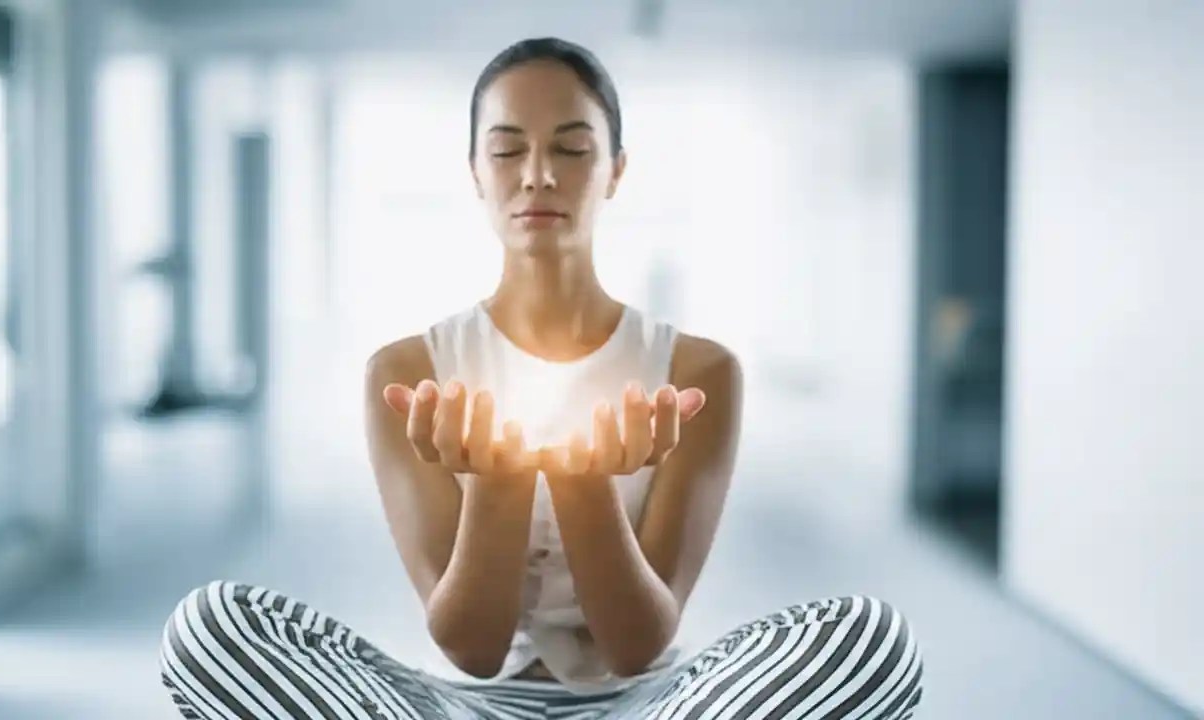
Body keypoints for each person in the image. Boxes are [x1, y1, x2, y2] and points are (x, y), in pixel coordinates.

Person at [159, 37, 924, 720]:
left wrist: (587, 484)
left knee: (871, 640)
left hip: (652, 702)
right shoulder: (406, 375)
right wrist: (497, 483)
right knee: (210, 627)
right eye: (505, 149)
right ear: (474, 173)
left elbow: (635, 645)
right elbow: (472, 649)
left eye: (571, 148)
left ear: (615, 171)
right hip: (456, 704)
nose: (536, 175)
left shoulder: (697, 374)